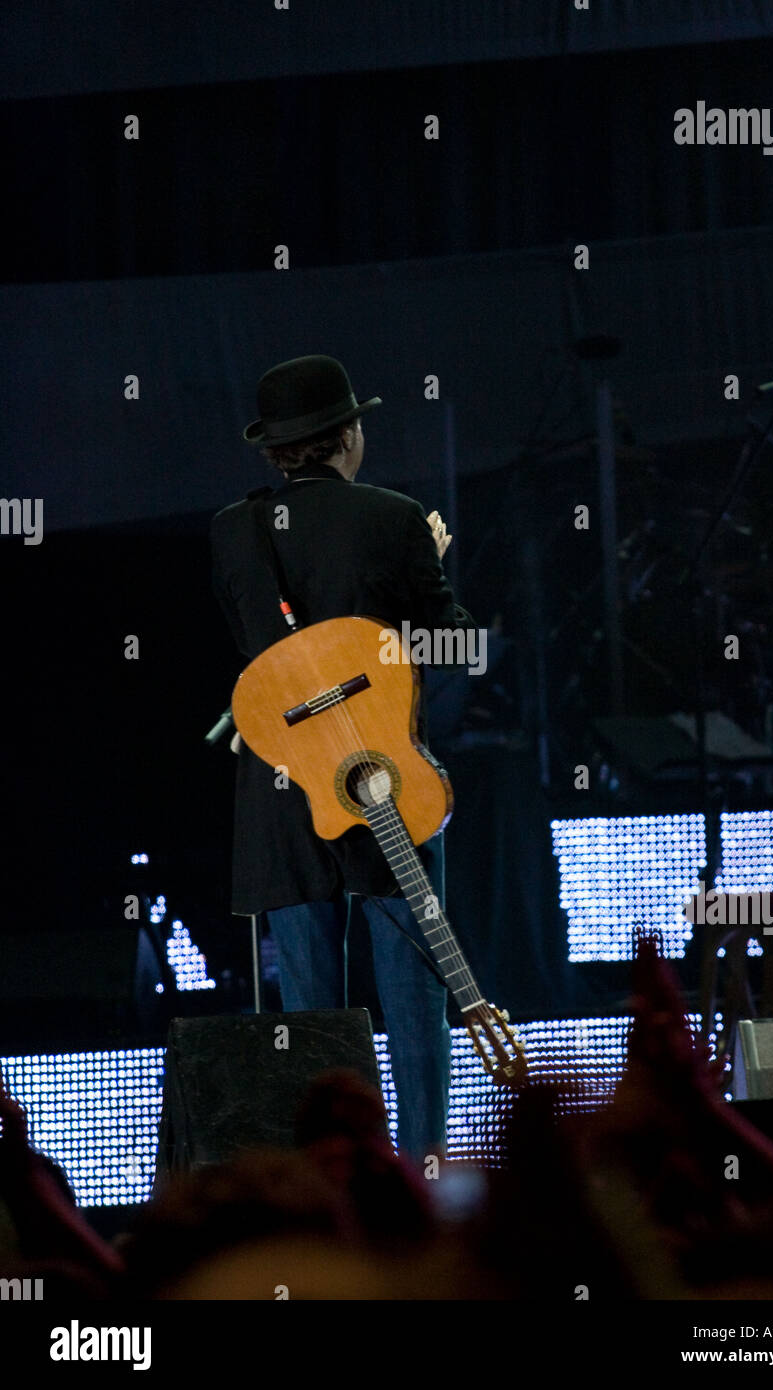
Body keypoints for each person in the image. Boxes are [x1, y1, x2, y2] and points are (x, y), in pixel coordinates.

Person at [211, 355, 476, 1163]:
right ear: (348, 436)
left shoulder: (232, 530)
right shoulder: (396, 517)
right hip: (385, 780)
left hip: (285, 792)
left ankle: (329, 1191)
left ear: (277, 452)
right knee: (414, 1004)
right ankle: (422, 1177)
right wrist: (426, 558)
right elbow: (453, 644)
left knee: (309, 1024)